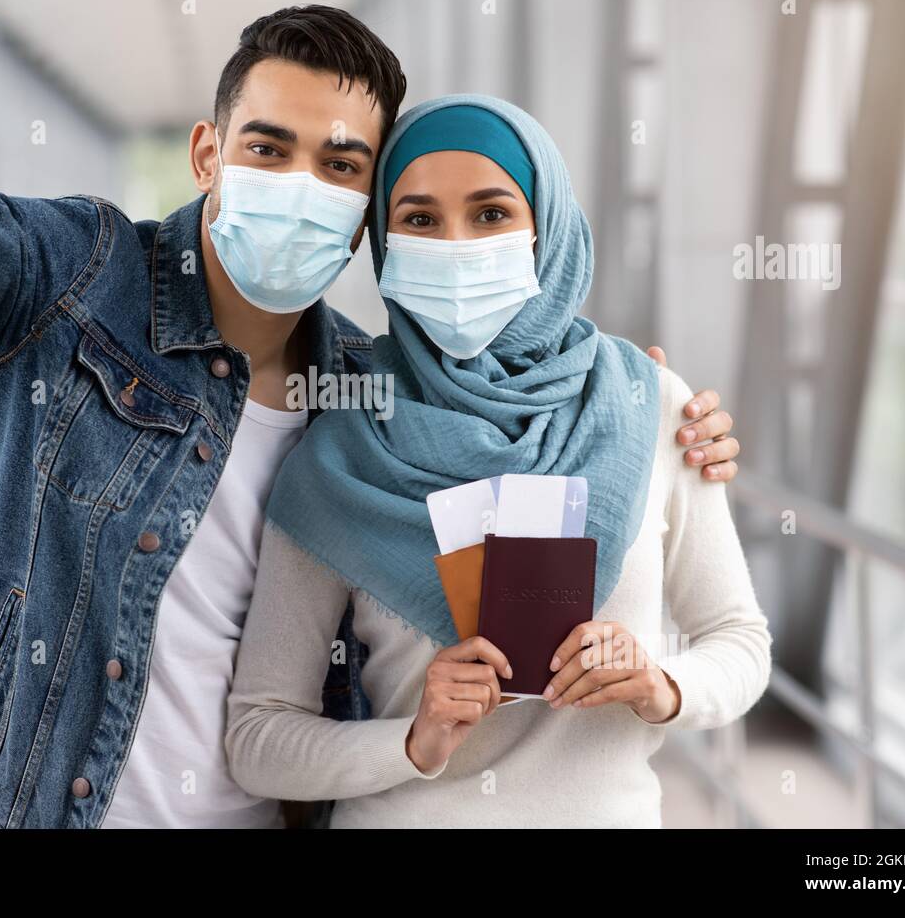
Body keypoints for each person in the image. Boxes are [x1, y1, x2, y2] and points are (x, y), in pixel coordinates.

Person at [0, 0, 739, 828]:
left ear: (366, 208)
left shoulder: (372, 396)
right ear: (208, 153)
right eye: (267, 148)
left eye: (340, 165)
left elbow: (522, 414)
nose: (300, 184)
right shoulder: (63, 284)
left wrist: (640, 400)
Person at [225, 95, 772, 827]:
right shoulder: (342, 451)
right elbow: (257, 737)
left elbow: (739, 641)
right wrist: (412, 742)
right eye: (419, 219)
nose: (455, 245)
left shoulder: (650, 408)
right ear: (385, 244)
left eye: (490, 214)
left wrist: (658, 682)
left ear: (547, 226)